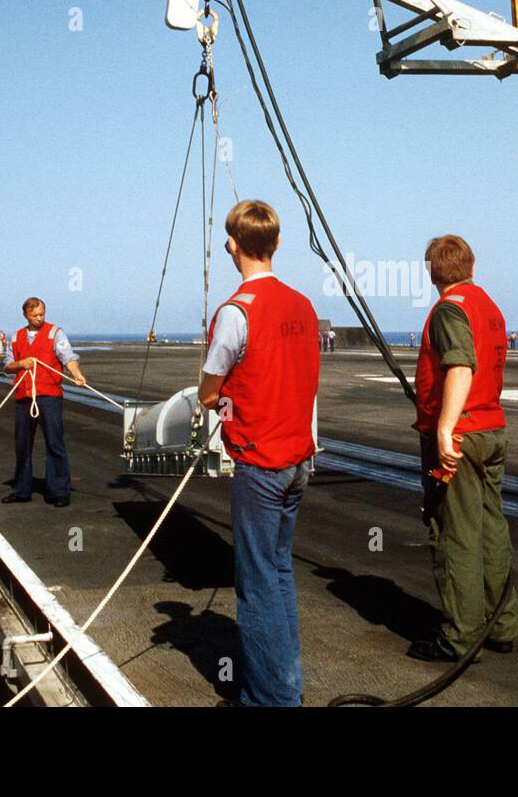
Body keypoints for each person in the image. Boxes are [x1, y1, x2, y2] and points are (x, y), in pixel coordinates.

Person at [197, 200, 319, 707]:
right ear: (276, 243)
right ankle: (285, 684)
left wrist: (218, 399)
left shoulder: (235, 311)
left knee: (255, 584)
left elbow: (208, 390)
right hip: (299, 461)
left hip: (260, 462)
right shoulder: (303, 305)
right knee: (279, 572)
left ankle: (271, 697)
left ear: (233, 245)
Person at [407, 234, 518, 663]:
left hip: (462, 436)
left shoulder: (449, 309)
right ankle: (502, 625)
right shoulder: (489, 307)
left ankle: (458, 638)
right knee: (492, 530)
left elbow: (459, 365)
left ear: (433, 272)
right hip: (491, 431)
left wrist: (444, 428)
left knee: (454, 536)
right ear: (471, 266)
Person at [3, 297, 86, 508]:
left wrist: (77, 374)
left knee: (54, 443)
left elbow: (69, 357)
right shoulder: (16, 337)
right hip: (24, 397)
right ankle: (21, 490)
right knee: (22, 445)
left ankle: (58, 491)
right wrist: (21, 363)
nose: (39, 318)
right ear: (26, 316)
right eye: (35, 315)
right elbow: (7, 366)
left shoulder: (54, 333)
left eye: (42, 314)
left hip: (49, 396)